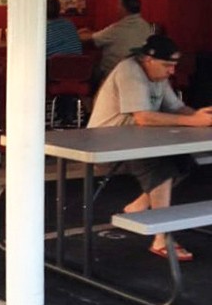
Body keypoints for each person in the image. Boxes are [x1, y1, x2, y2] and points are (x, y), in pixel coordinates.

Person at [88, 34, 212, 261]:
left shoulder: (157, 75)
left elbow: (176, 107)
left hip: (139, 137)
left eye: (173, 66)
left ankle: (139, 207)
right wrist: (192, 122)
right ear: (148, 60)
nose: (171, 72)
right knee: (161, 168)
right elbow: (143, 117)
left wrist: (198, 115)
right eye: (167, 65)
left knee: (184, 160)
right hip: (109, 139)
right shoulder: (129, 71)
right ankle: (161, 238)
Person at [78, 0, 152, 85]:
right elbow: (107, 35)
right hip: (139, 74)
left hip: (113, 74)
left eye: (119, 5)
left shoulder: (118, 28)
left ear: (124, 8)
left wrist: (75, 34)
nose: (117, 8)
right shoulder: (146, 26)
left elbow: (90, 38)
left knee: (89, 69)